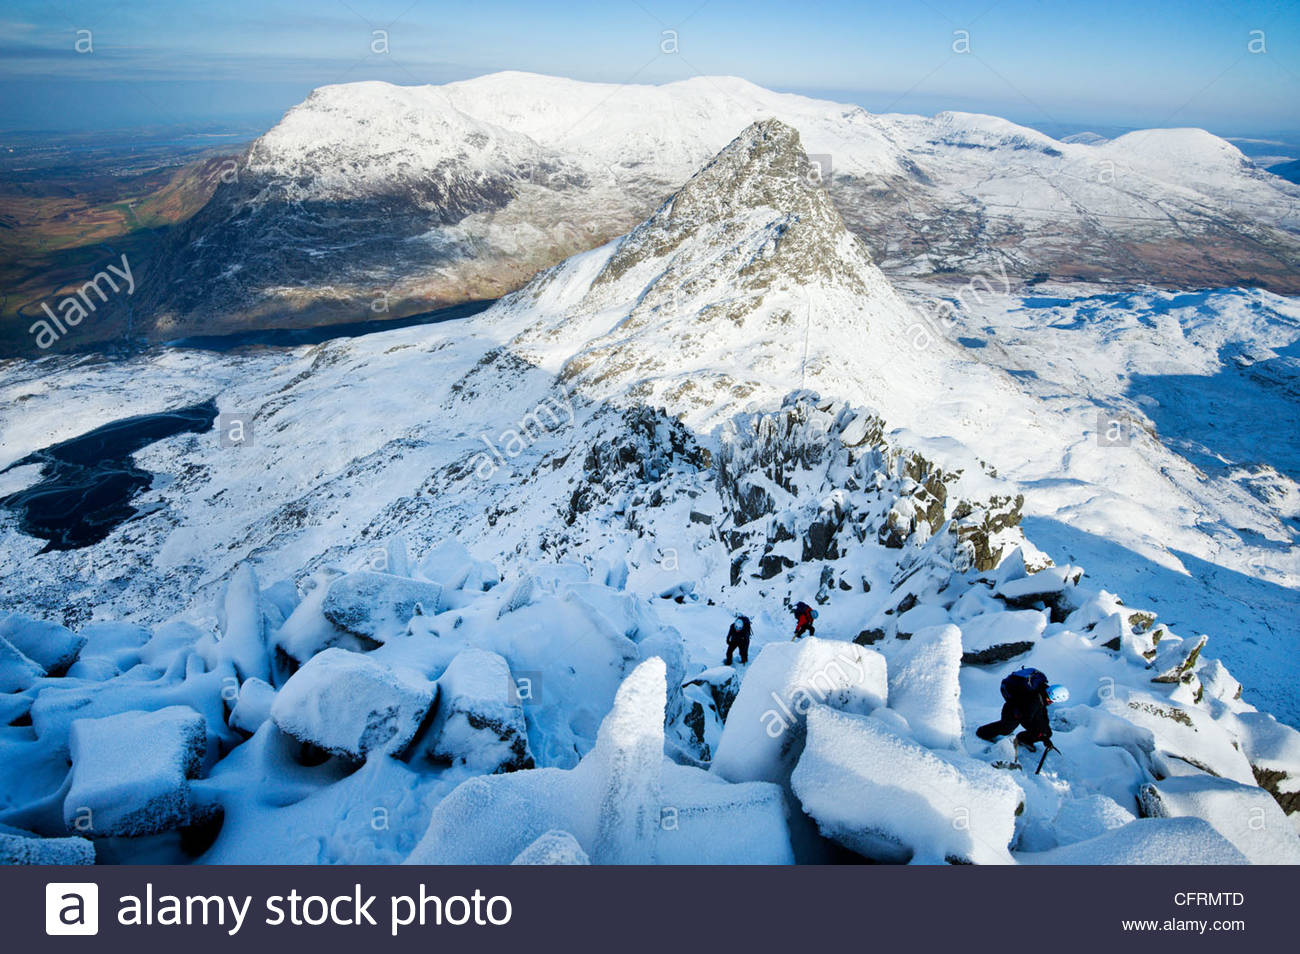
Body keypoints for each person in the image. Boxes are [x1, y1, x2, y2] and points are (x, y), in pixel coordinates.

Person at [975, 667, 1069, 750]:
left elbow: (1042, 714)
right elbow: (1026, 719)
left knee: (1046, 732)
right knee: (1006, 728)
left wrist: (1045, 733)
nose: (1051, 703)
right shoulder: (1035, 700)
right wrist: (1040, 734)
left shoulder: (1042, 691)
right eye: (1052, 701)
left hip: (1022, 706)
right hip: (1014, 708)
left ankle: (1024, 739)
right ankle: (982, 732)